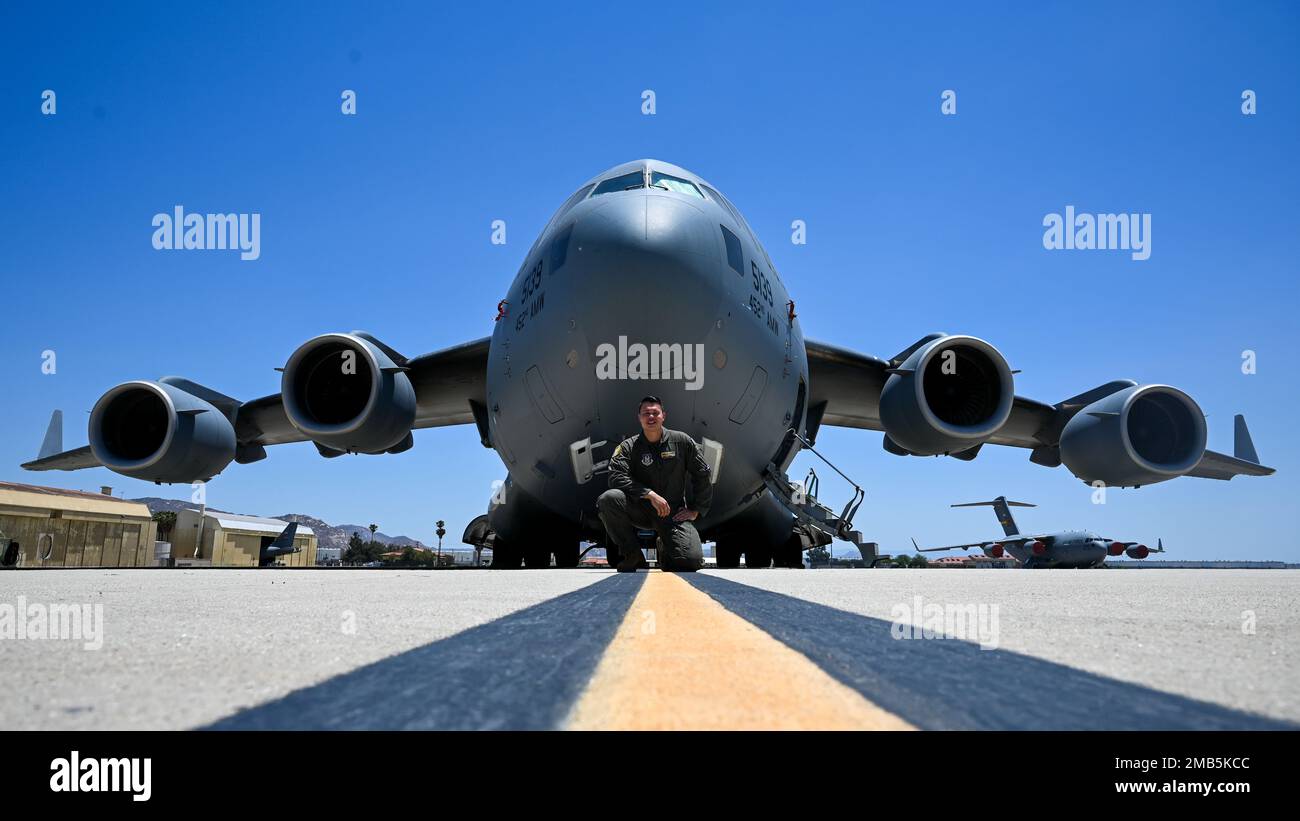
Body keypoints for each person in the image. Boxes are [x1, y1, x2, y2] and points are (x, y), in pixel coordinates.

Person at [598, 396, 712, 573]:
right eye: (646, 413)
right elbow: (615, 476)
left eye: (655, 413)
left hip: (672, 513)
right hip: (639, 509)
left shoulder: (681, 442)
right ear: (639, 417)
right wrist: (649, 494)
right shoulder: (628, 446)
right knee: (608, 499)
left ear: (663, 416)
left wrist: (696, 509)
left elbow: (703, 473)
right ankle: (632, 555)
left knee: (691, 562)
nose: (651, 417)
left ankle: (665, 548)